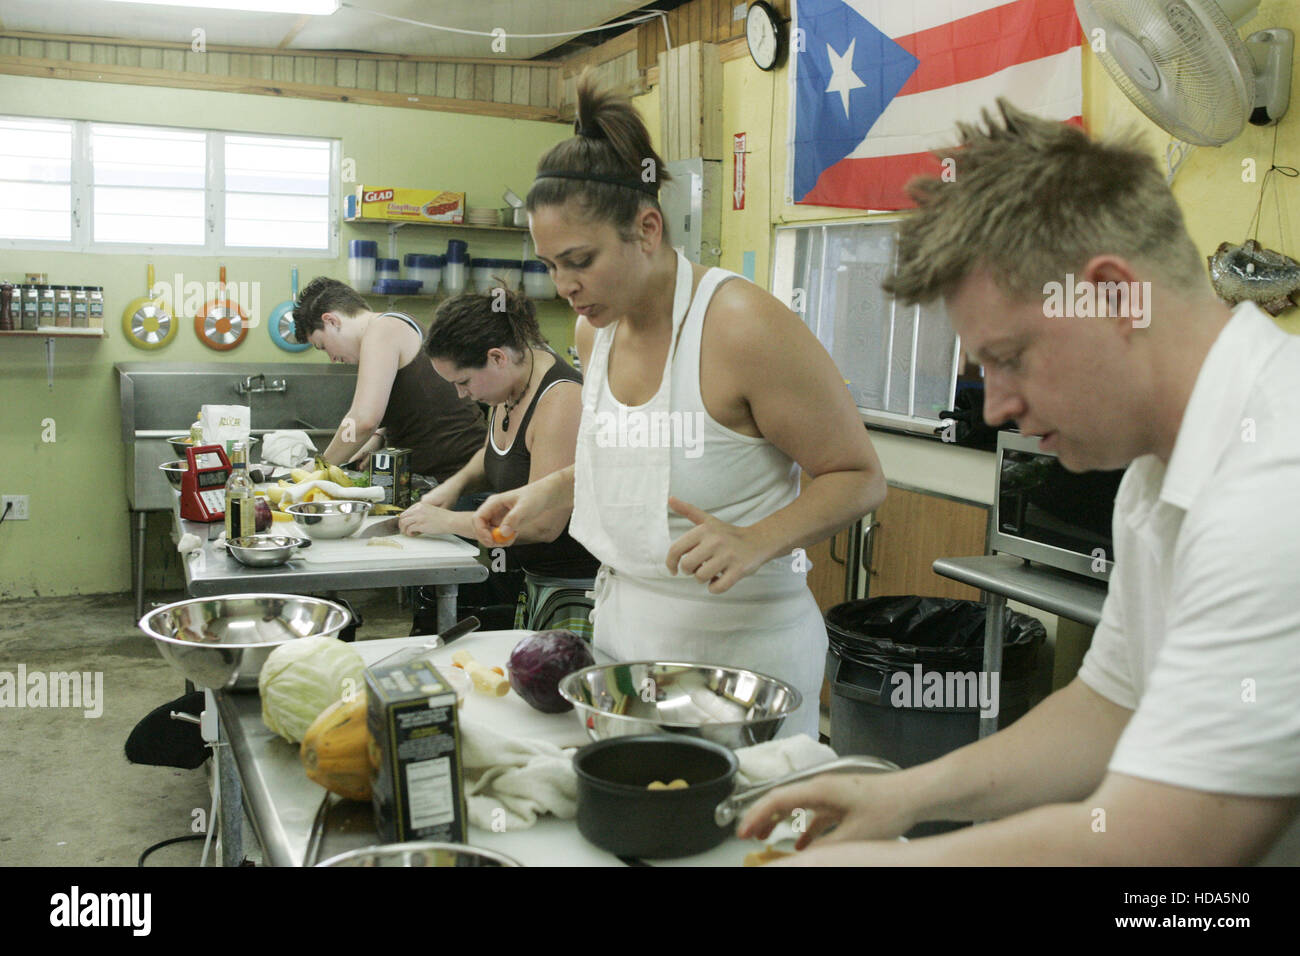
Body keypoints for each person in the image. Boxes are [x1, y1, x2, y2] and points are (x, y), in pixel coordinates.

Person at [737, 99, 1300, 864]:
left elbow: (1166, 845)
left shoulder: (1273, 480)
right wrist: (901, 794)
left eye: (1007, 358)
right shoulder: (1152, 476)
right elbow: (1108, 706)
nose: (995, 407)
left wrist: (896, 863)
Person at [472, 77, 887, 739]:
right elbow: (642, 457)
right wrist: (552, 489)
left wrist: (758, 538)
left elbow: (860, 476)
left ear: (646, 228)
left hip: (742, 665)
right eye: (550, 265)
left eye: (579, 260)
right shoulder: (595, 331)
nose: (565, 286)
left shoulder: (742, 327)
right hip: (623, 643)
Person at [398, 287, 599, 634]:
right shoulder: (508, 387)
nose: (462, 394)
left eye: (462, 382)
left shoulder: (562, 400)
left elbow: (542, 525)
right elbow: (499, 448)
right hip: (537, 583)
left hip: (573, 591)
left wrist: (447, 521)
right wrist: (454, 486)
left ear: (497, 358)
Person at [292, 277, 485, 481]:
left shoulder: (381, 330)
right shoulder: (395, 323)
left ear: (331, 321)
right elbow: (418, 400)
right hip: (451, 476)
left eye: (323, 346)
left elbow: (362, 421)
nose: (332, 358)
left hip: (458, 480)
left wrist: (318, 469)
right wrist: (379, 437)